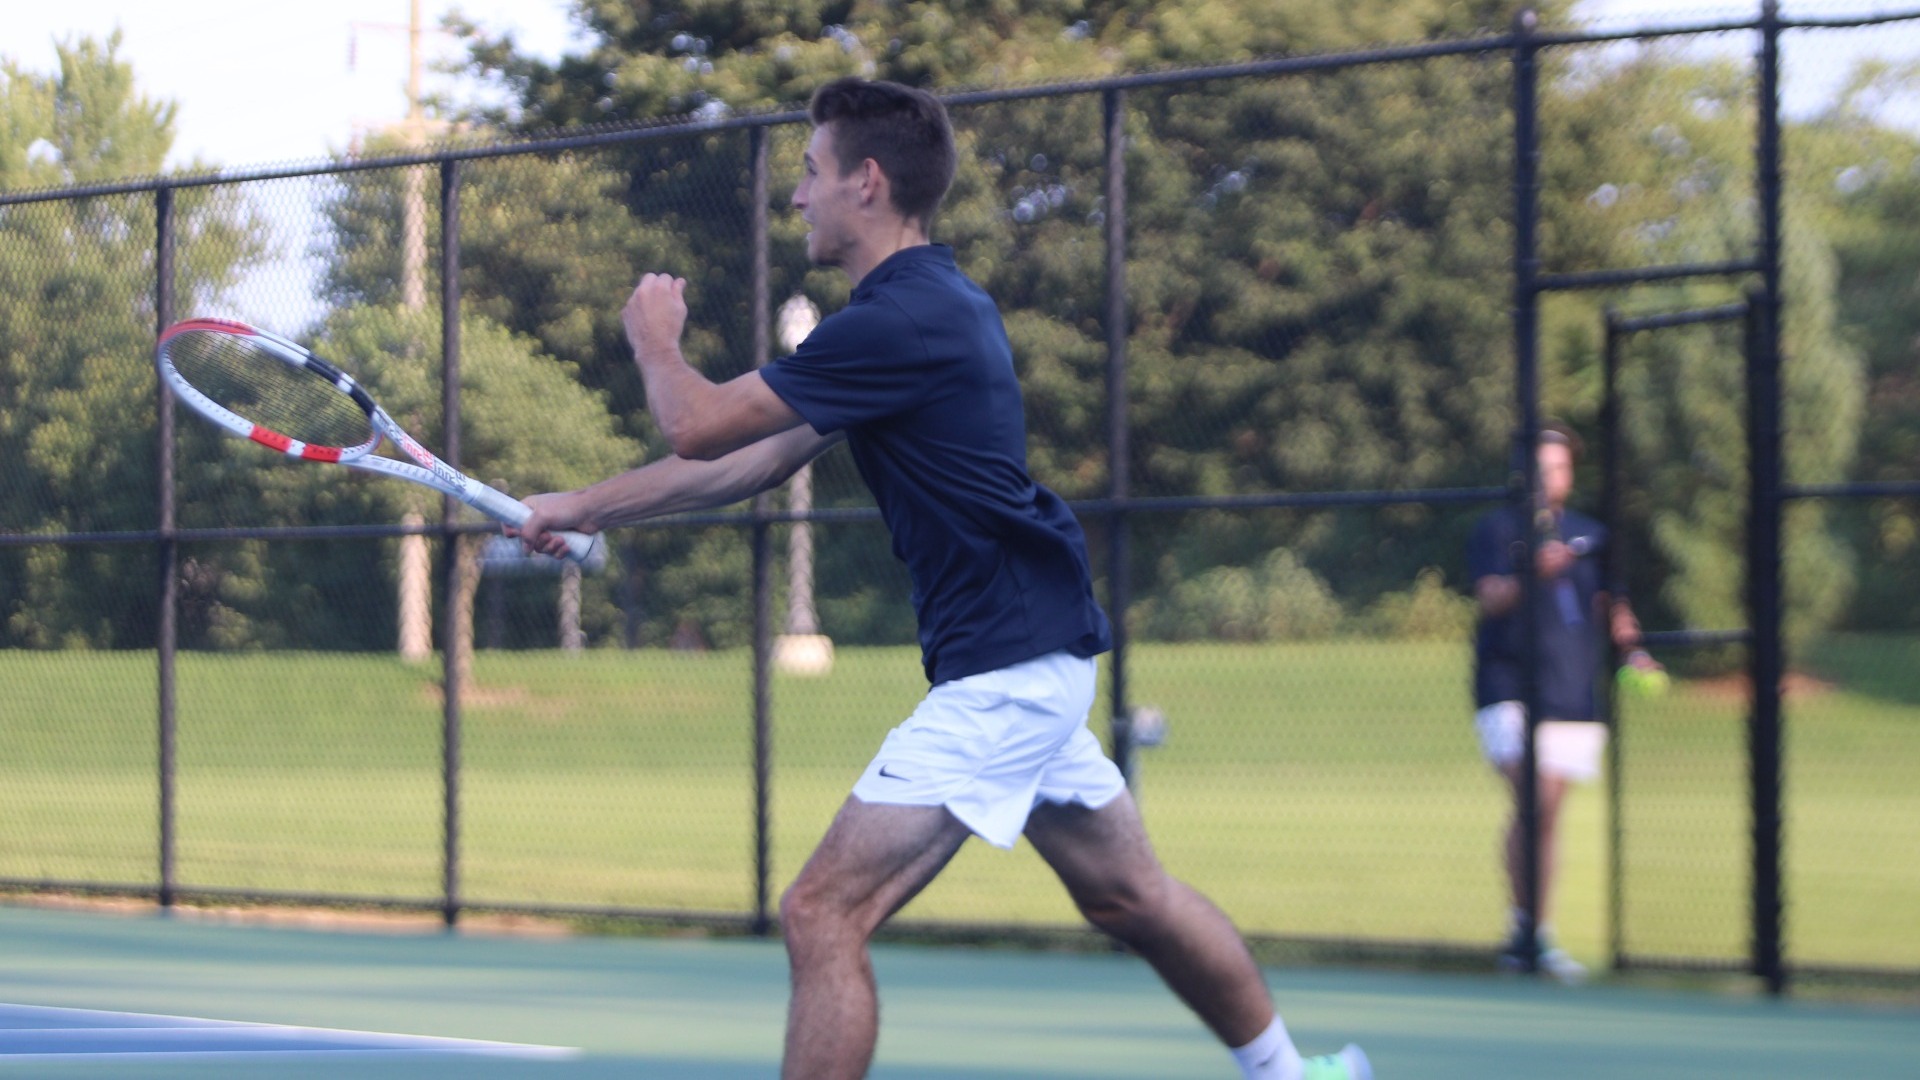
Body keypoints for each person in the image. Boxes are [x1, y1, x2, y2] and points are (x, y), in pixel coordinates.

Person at [512, 77, 1371, 1080]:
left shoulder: (904, 320)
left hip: (1007, 671)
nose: (797, 194)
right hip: (1033, 654)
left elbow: (695, 424)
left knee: (821, 912)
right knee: (1131, 896)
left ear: (867, 183)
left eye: (811, 171)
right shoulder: (913, 313)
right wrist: (586, 504)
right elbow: (748, 462)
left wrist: (654, 338)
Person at [1467, 425, 1657, 983]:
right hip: (1508, 687)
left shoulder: (1591, 535)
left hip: (1572, 692)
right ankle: (1526, 933)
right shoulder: (1498, 530)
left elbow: (1611, 605)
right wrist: (1533, 572)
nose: (1551, 478)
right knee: (1534, 799)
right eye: (1541, 467)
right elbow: (1490, 598)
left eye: (1560, 467)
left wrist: (1633, 652)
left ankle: (1534, 935)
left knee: (1547, 813)